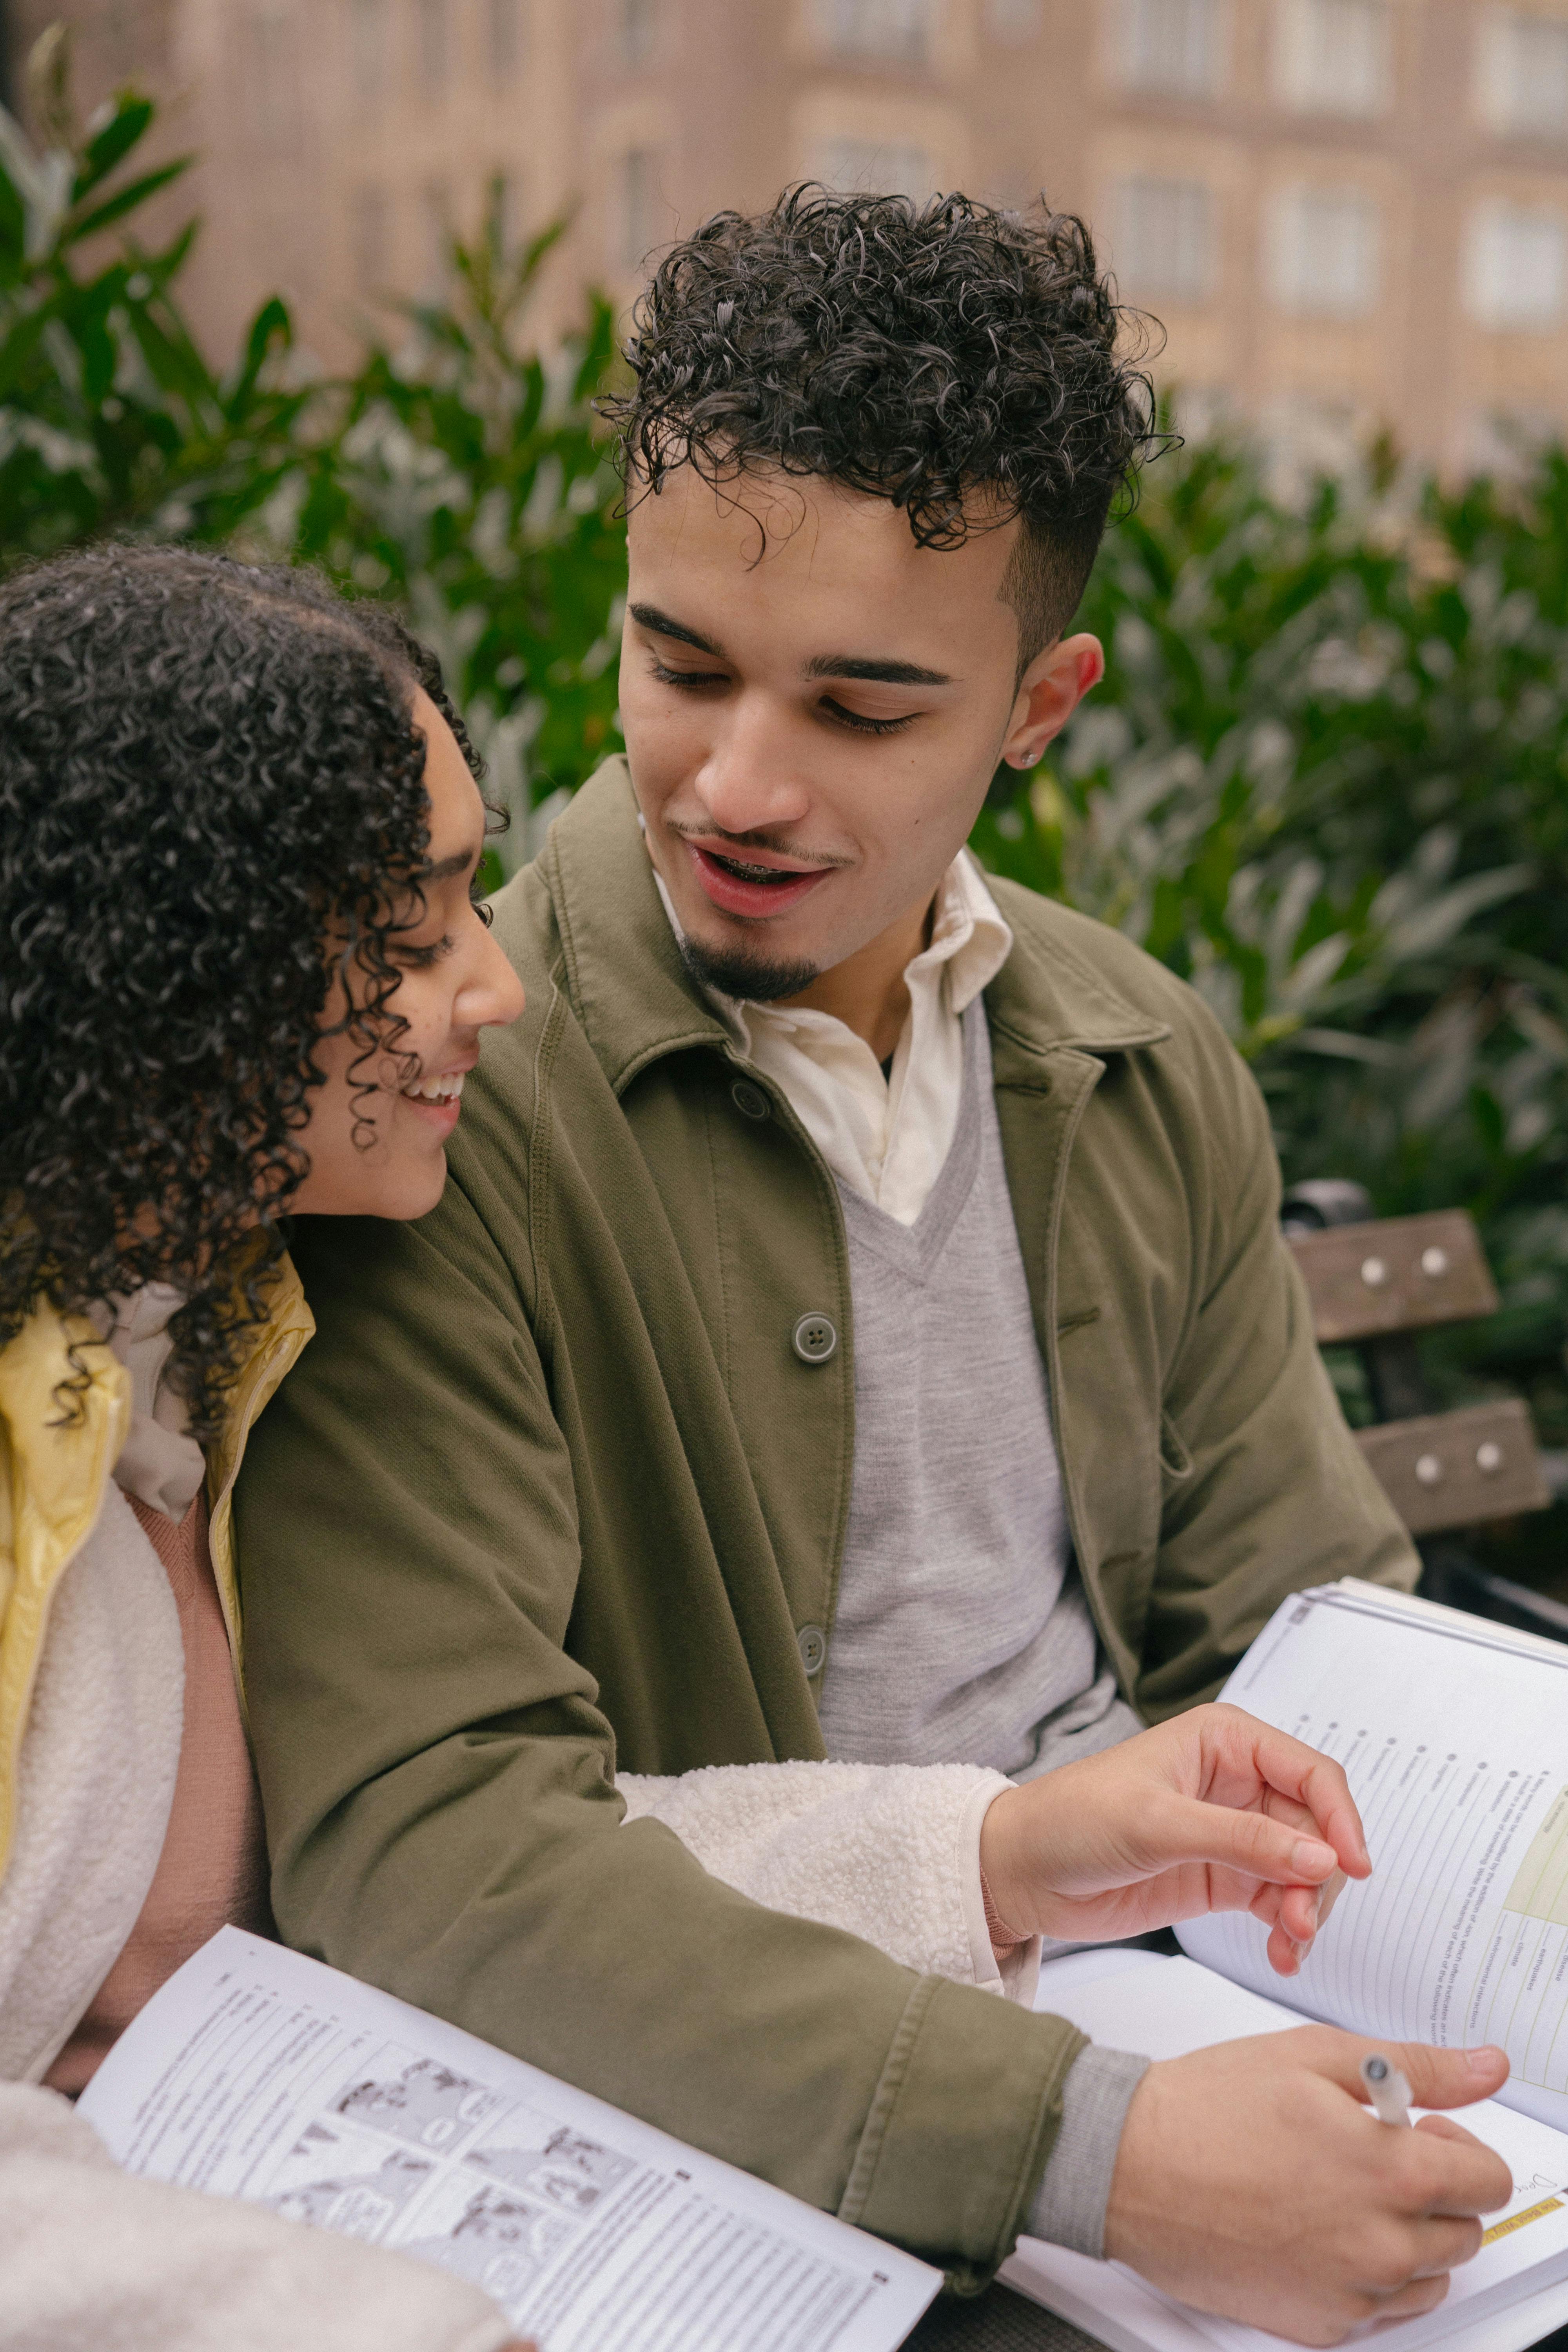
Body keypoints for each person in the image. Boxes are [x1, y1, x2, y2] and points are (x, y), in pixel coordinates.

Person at [234, 192, 1514, 2344]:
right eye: (683, 665)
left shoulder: (1137, 1054)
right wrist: (1087, 2151)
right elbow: (432, 1849)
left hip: (1178, 2032)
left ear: (1039, 707)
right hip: (753, 2156)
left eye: (863, 705)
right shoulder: (436, 1103)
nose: (736, 782)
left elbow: (1304, 1635)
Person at [0, 546, 534, 2352]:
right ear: (183, 969)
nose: (496, 985)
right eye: (415, 930)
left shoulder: (218, 1332)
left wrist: (982, 1853)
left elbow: (468, 1820)